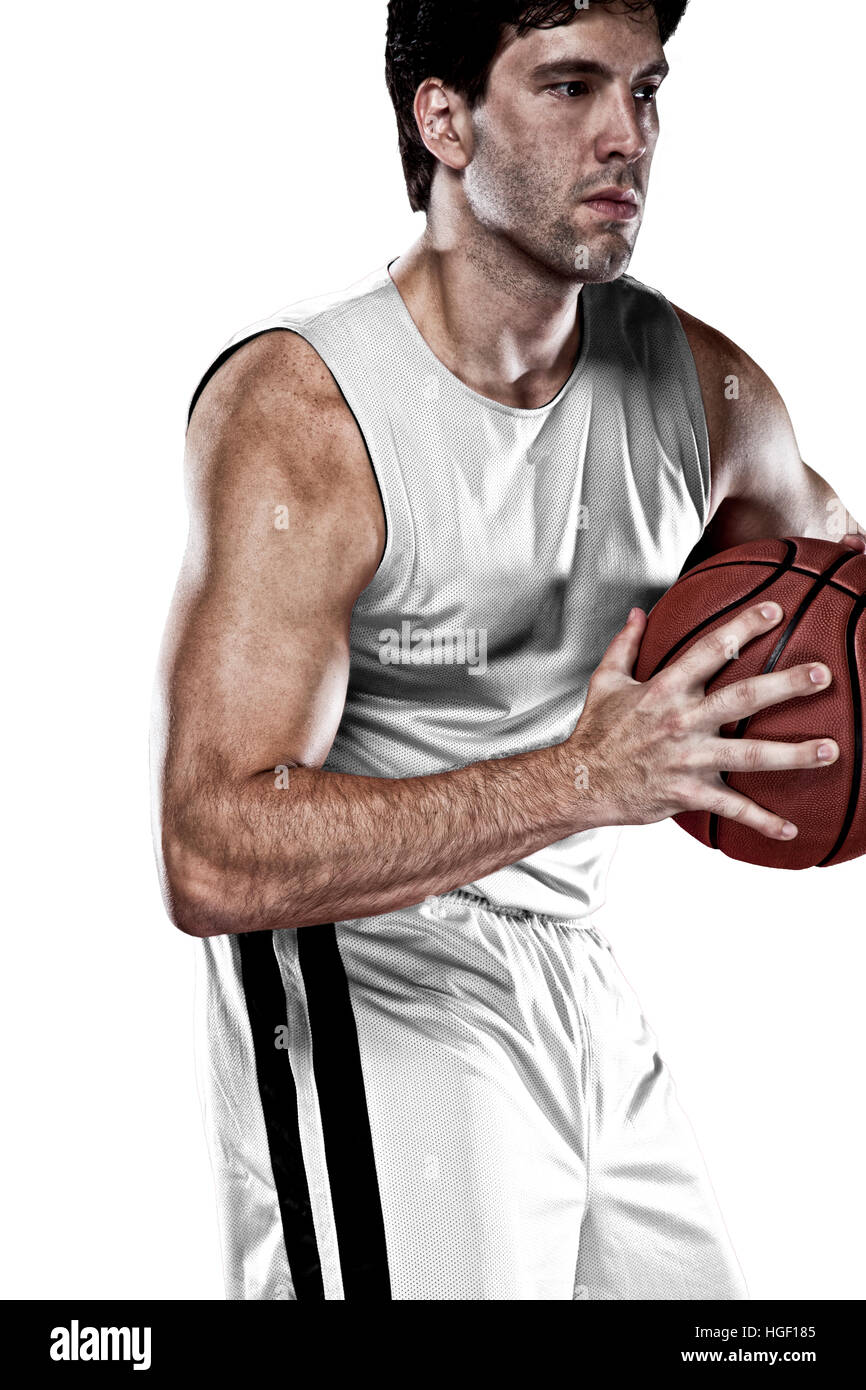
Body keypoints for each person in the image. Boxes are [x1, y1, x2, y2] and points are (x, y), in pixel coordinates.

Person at [152, 0, 865, 1300]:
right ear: (444, 120)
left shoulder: (700, 393)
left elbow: (840, 588)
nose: (624, 137)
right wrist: (578, 782)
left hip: (578, 974)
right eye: (569, 87)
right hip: (372, 969)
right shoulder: (308, 415)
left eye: (645, 90)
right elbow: (207, 846)